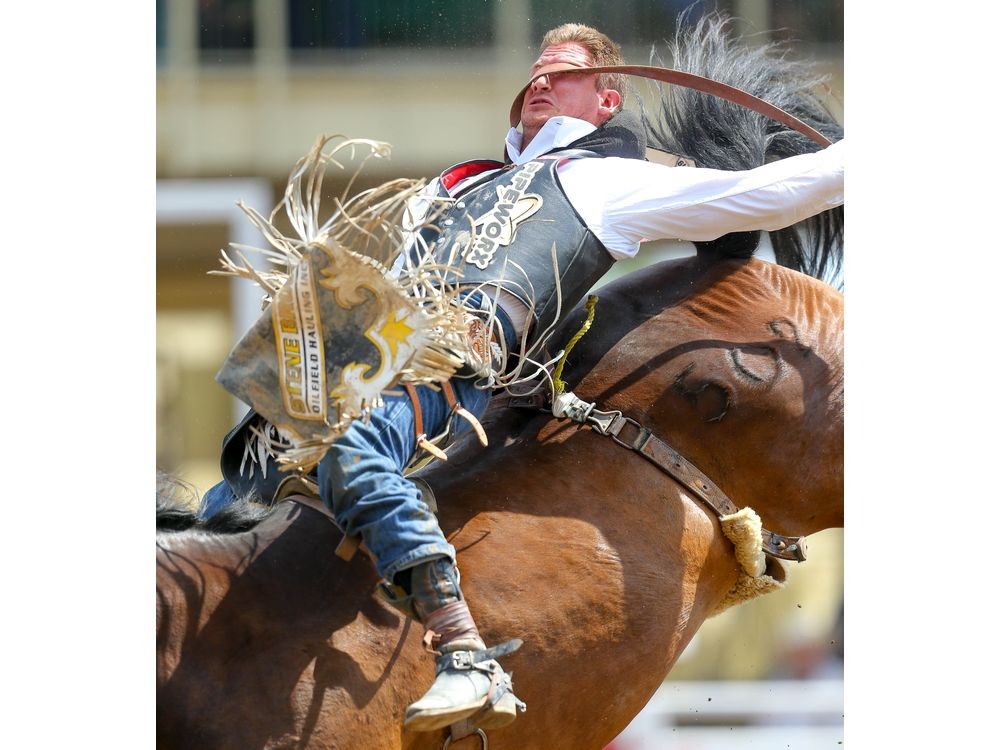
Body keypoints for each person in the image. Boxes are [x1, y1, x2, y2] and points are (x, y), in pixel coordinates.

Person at [200, 21, 844, 735]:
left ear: (607, 98)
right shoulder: (458, 182)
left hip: (456, 348)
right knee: (232, 486)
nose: (538, 80)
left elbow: (775, 193)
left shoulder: (606, 180)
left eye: (561, 72)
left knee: (354, 450)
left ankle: (464, 651)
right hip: (378, 330)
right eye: (535, 70)